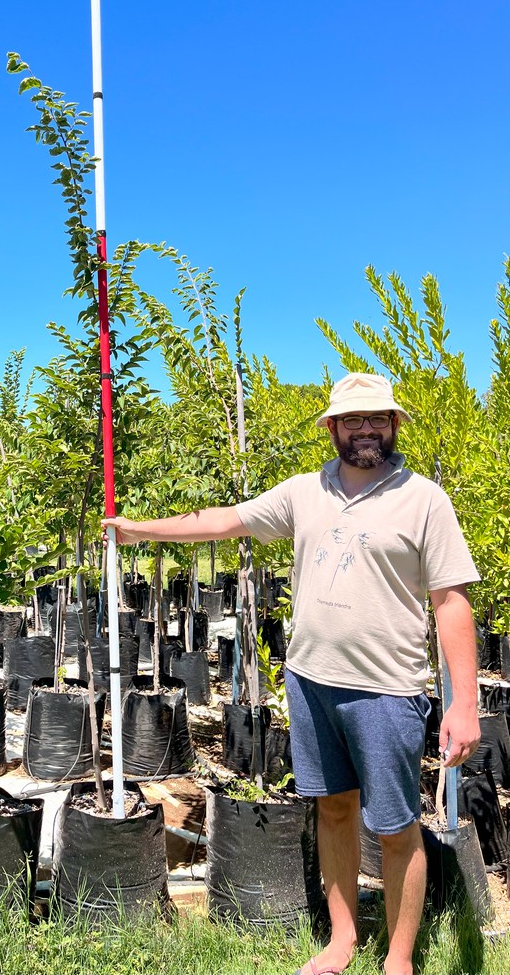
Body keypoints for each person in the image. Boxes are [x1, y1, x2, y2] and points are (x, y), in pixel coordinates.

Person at [103, 372, 480, 975]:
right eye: (353, 420)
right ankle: (342, 941)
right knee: (332, 810)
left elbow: (452, 602)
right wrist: (140, 529)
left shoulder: (424, 500)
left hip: (388, 690)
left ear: (394, 425)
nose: (365, 429)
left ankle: (401, 959)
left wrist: (465, 704)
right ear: (331, 428)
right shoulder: (306, 492)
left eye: (377, 419)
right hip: (310, 681)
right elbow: (226, 521)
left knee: (396, 826)